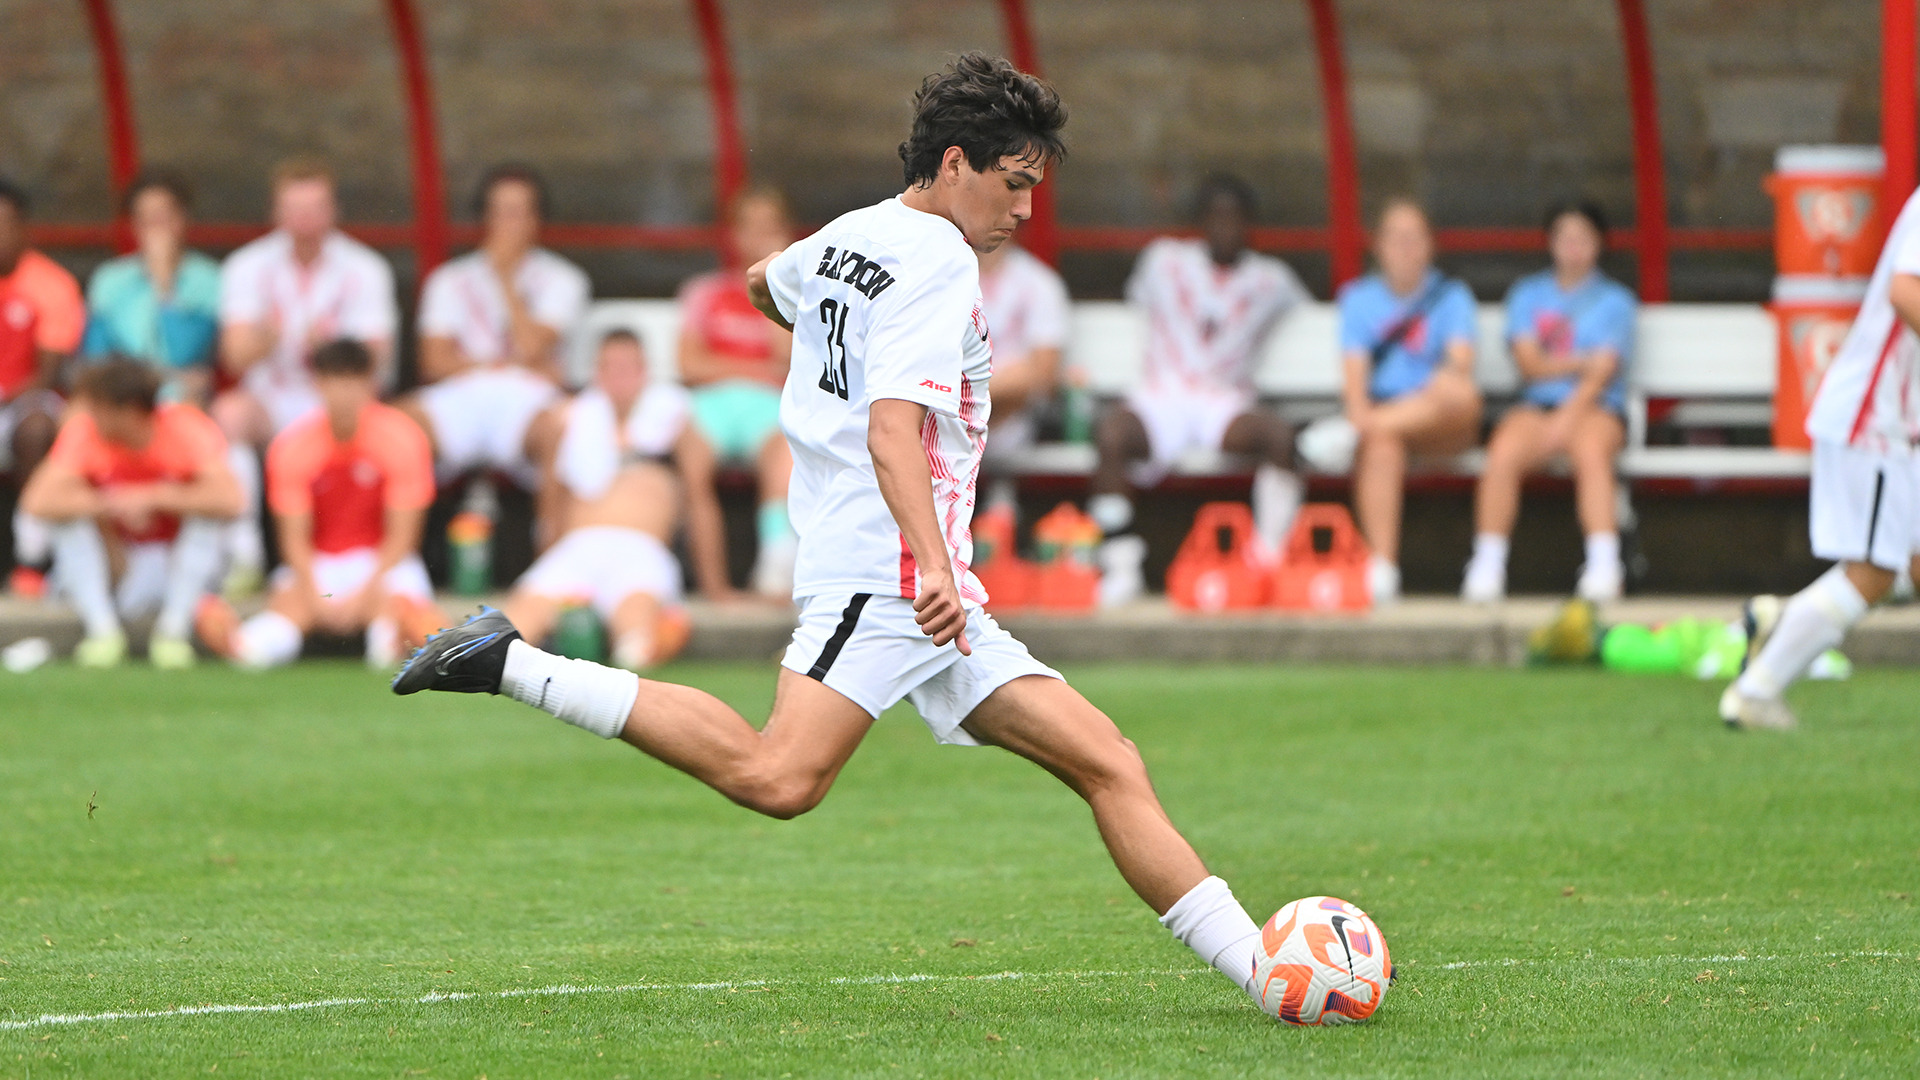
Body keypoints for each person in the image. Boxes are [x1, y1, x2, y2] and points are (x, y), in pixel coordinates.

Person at [394, 54, 1290, 1021]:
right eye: (1016, 184)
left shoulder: (851, 231)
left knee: (1107, 760)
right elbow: (890, 427)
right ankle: (508, 663)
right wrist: (937, 564)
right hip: (891, 571)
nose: (1028, 212)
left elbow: (761, 283)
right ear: (957, 164)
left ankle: (1268, 974)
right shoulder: (942, 258)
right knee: (779, 775)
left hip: (911, 576)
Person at [1718, 185, 1920, 730]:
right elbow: (1906, 291)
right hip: (1875, 422)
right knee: (1874, 572)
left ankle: (1781, 622)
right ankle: (1755, 692)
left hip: (1900, 423)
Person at [1092, 175, 1308, 606]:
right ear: (1200, 222)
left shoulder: (1272, 280)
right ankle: (1119, 563)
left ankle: (1266, 562)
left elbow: (1311, 313)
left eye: (1236, 219)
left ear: (1250, 224)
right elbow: (1129, 298)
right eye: (1216, 217)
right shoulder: (1164, 261)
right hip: (1161, 396)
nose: (1226, 227)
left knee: (1280, 438)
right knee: (1112, 435)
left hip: (1222, 401)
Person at [196, 339, 443, 670]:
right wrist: (314, 596)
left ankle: (395, 641)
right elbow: (294, 538)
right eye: (334, 381)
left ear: (371, 384)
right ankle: (240, 643)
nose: (344, 393)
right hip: (319, 562)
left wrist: (364, 596)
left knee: (395, 621)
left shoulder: (402, 438)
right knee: (285, 612)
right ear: (317, 384)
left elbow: (402, 536)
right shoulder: (293, 445)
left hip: (383, 560)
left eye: (353, 381)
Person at [216, 158, 398, 597]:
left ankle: (367, 559)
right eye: (294, 209)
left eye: (314, 208)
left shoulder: (365, 268)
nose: (304, 221)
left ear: (333, 211)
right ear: (275, 214)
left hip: (336, 403)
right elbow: (234, 357)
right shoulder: (247, 265)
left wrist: (325, 346)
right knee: (229, 413)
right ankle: (245, 555)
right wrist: (271, 337)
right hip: (272, 399)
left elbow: (377, 361)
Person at [404, 165, 589, 544]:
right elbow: (434, 361)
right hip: (464, 393)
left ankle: (550, 554)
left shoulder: (564, 278)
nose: (510, 223)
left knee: (563, 428)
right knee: (397, 425)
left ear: (537, 220)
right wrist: (496, 365)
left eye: (520, 212)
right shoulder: (449, 278)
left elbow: (534, 347)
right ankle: (403, 557)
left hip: (527, 399)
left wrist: (504, 279)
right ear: (485, 218)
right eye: (501, 211)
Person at [1462, 202, 1636, 604]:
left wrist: (1568, 414)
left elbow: (1604, 371)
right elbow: (1529, 364)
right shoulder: (1528, 293)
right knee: (1502, 450)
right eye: (1565, 236)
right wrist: (1580, 361)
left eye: (1583, 237)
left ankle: (1604, 563)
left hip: (1594, 408)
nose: (1573, 246)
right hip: (1537, 408)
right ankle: (1487, 562)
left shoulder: (1616, 301)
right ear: (1551, 243)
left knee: (1592, 450)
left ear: (1599, 244)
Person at [20, 358, 238, 668]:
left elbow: (231, 498)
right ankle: (103, 633)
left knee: (208, 518)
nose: (91, 415)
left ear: (130, 410)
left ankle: (173, 634)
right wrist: (109, 502)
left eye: (99, 406)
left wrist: (155, 497)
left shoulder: (184, 427)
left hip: (175, 567)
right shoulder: (85, 432)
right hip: (119, 564)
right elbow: (37, 501)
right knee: (66, 521)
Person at [502, 329, 695, 671]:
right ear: (596, 372)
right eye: (609, 367)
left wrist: (717, 587)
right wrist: (546, 558)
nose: (618, 377)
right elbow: (551, 503)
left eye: (627, 367)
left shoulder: (678, 422)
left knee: (634, 643)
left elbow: (699, 500)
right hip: (578, 548)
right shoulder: (568, 418)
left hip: (640, 552)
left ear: (644, 371)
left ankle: (655, 632)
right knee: (507, 637)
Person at [1336, 198, 1481, 604]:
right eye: (1395, 238)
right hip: (1386, 416)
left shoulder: (1451, 296)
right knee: (1381, 443)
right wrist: (1367, 416)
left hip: (1440, 417)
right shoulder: (1358, 299)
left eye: (1414, 238)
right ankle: (1382, 566)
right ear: (1377, 245)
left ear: (1430, 245)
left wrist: (1376, 419)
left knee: (1459, 394)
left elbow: (1460, 365)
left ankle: (1356, 434)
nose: (1405, 248)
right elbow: (1355, 384)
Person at [674, 186, 798, 598]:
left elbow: (788, 362)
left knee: (784, 457)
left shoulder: (797, 296)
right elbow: (689, 366)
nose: (757, 236)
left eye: (769, 228)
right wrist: (755, 369)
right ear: (733, 234)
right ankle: (715, 589)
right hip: (711, 406)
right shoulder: (703, 292)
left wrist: (772, 284)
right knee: (692, 463)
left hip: (768, 409)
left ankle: (776, 576)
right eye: (749, 227)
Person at [0, 178, 87, 597]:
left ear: (22, 227)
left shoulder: (52, 284)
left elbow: (48, 374)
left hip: (24, 401)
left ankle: (32, 559)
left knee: (36, 427)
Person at [82, 169, 223, 405]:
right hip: (121, 396)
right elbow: (96, 357)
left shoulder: (209, 279)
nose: (156, 228)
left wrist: (165, 285)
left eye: (164, 217)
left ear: (184, 218)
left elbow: (183, 354)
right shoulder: (110, 278)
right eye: (145, 219)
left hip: (183, 397)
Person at [976, 237, 1070, 509]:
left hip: (1011, 419)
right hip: (949, 416)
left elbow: (1043, 374)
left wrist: (968, 394)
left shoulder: (1039, 282)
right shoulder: (939, 276)